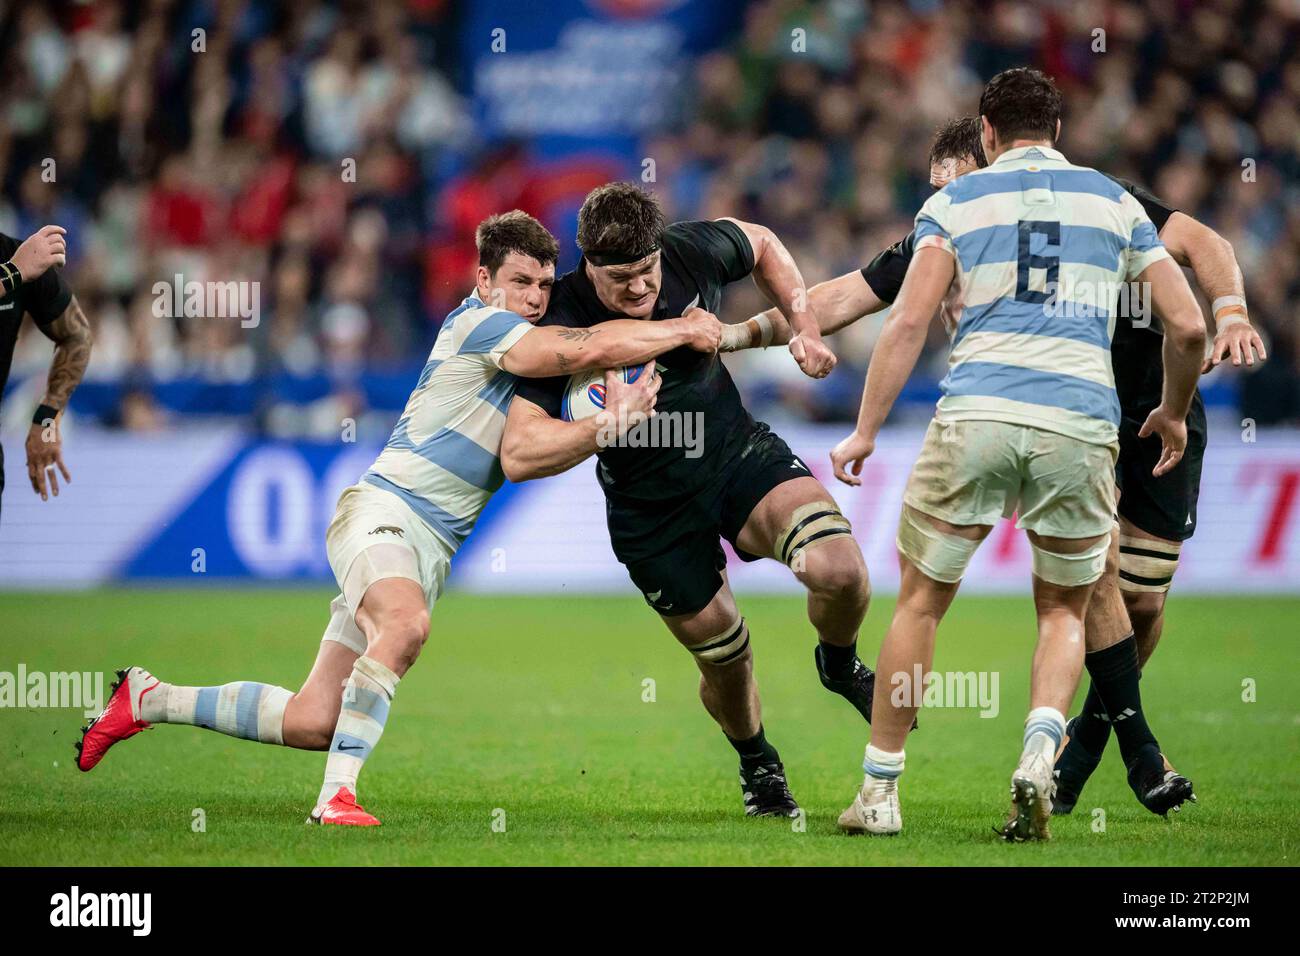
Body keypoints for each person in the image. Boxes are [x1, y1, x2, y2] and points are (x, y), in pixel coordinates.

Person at [75, 211, 722, 827]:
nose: (533, 296)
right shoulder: (480, 327)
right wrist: (684, 329)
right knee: (406, 623)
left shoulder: (533, 357)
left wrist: (610, 420)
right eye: (519, 281)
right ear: (484, 281)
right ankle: (336, 799)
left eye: (545, 286)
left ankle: (150, 698)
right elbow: (581, 344)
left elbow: (557, 405)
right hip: (386, 511)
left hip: (428, 548)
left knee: (314, 720)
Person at [741, 113, 1265, 817]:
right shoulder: (959, 219)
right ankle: (1114, 753)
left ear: (986, 155)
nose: (938, 195)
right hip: (1079, 419)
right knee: (1095, 582)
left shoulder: (1097, 198)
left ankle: (1071, 748)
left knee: (1138, 604)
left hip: (1158, 406)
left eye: (946, 181)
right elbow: (845, 297)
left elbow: (1204, 242)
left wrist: (1230, 309)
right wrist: (739, 332)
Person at [826, 68, 1206, 840]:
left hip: (978, 413)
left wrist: (866, 429)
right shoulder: (1114, 201)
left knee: (922, 602)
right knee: (1065, 606)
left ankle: (880, 792)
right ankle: (1040, 752)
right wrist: (1170, 411)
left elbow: (906, 321)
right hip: (1080, 424)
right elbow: (1189, 326)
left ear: (987, 134)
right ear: (1058, 132)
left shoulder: (957, 201)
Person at [501, 183, 875, 819]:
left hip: (733, 455)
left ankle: (839, 663)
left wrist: (803, 324)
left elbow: (761, 242)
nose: (642, 287)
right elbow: (518, 453)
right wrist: (602, 430)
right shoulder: (555, 318)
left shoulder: (684, 253)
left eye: (648, 270)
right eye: (622, 278)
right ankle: (759, 764)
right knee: (727, 657)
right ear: (587, 264)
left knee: (839, 570)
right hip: (650, 513)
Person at [0, 225, 93, 523]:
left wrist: (47, 418)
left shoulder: (18, 254)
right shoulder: (19, 263)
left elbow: (76, 336)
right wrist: (14, 273)